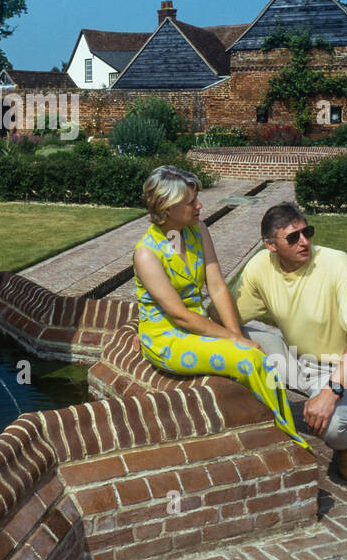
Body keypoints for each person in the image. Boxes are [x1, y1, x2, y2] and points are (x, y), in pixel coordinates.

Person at [133, 166, 311, 453]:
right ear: (167, 208)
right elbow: (179, 315)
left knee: (253, 350)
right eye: (191, 202)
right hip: (167, 339)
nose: (199, 206)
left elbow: (216, 286)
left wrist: (233, 331)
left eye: (197, 198)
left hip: (197, 324)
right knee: (249, 359)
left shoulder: (197, 230)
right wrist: (235, 340)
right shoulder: (147, 253)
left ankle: (276, 426)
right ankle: (285, 436)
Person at [231, 201, 347, 482]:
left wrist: (329, 393)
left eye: (307, 232)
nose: (304, 242)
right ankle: (251, 419)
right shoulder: (261, 266)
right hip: (295, 358)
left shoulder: (336, 263)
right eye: (293, 237)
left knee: (332, 426)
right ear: (271, 245)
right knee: (229, 341)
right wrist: (169, 327)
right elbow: (222, 315)